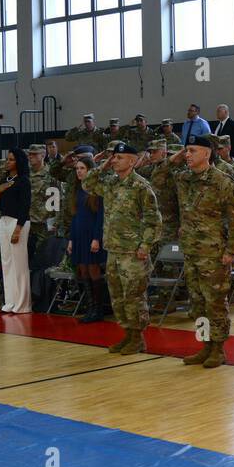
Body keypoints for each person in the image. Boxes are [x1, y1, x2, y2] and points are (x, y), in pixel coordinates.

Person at [152, 135, 234, 369]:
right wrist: (174, 159)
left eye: (192, 151)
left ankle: (218, 349)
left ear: (207, 153)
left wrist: (230, 251)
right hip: (191, 251)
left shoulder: (221, 181)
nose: (187, 155)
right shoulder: (184, 178)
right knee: (197, 304)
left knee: (215, 302)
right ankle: (204, 346)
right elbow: (158, 178)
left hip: (214, 252)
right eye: (186, 151)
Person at [86, 142, 161, 352]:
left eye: (119, 158)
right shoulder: (111, 183)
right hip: (114, 250)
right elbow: (88, 184)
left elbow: (154, 219)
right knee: (117, 296)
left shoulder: (141, 186)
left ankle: (138, 338)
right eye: (113, 157)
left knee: (134, 297)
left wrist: (145, 245)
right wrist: (102, 166)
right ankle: (128, 335)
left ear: (132, 160)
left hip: (133, 252)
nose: (115, 160)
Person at [66, 154, 107, 323]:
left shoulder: (96, 190)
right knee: (82, 270)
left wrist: (97, 238)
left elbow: (100, 217)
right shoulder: (77, 189)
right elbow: (75, 217)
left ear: (91, 170)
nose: (79, 171)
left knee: (93, 270)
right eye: (77, 169)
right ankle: (90, 307)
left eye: (82, 168)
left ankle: (99, 309)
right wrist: (71, 239)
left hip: (92, 236)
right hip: (79, 235)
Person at [0, 148, 33, 314]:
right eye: (7, 159)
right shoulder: (5, 180)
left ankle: (23, 304)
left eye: (11, 159)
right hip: (4, 221)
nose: (7, 162)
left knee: (19, 264)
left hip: (18, 223)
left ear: (18, 162)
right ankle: (10, 301)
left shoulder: (23, 181)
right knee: (7, 263)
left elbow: (25, 207)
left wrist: (18, 229)